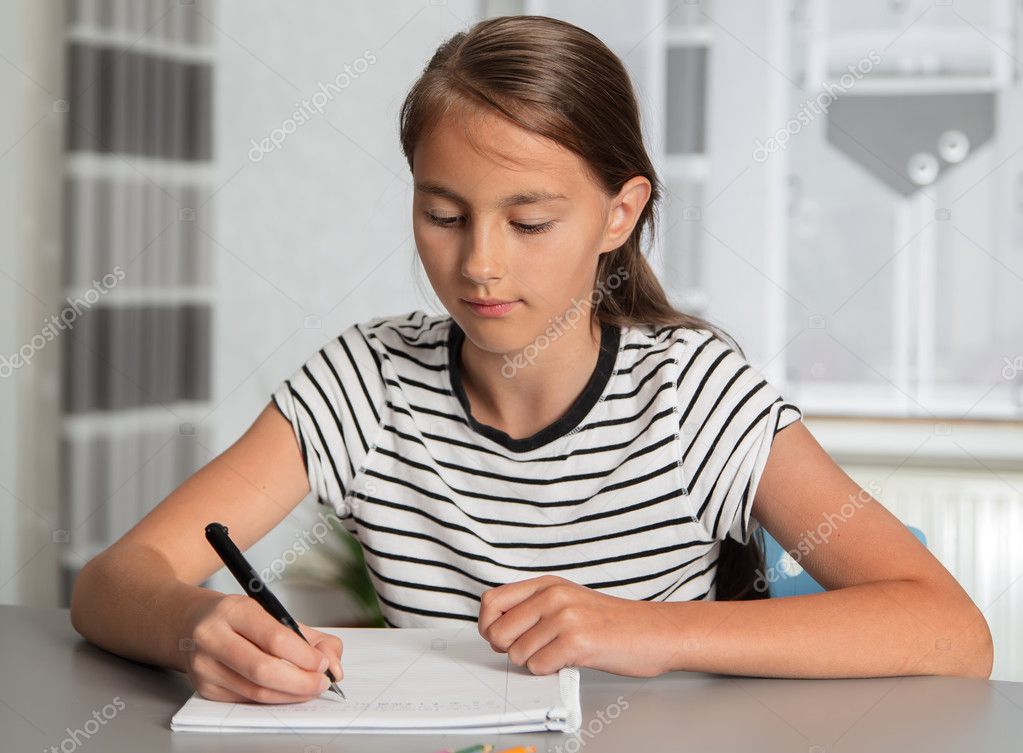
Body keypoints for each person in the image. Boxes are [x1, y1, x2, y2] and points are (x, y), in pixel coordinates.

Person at [70, 15, 993, 705]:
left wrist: (650, 631)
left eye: (529, 221)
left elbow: (950, 628)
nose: (478, 262)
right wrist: (195, 626)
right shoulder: (363, 384)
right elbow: (115, 579)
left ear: (618, 214)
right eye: (442, 214)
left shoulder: (691, 393)